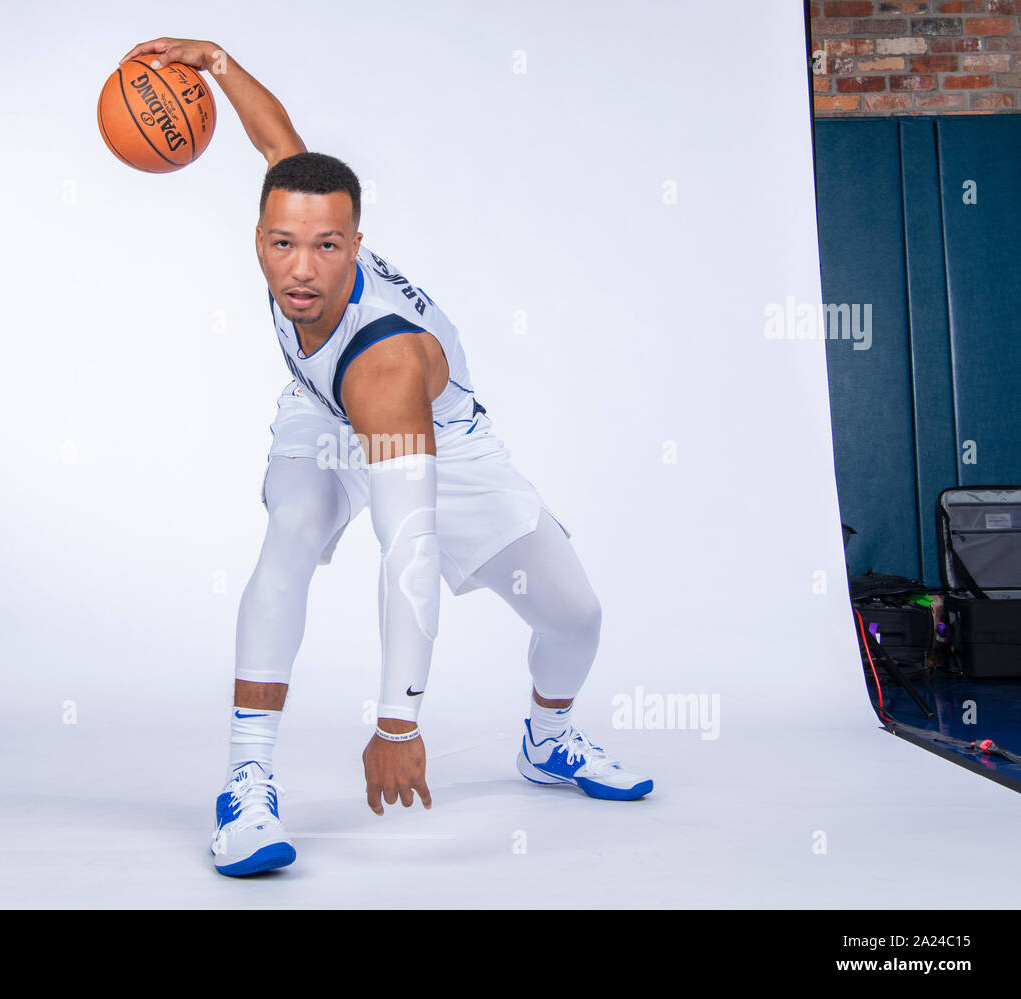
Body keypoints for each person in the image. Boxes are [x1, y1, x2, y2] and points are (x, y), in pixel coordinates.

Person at [118, 37, 654, 877]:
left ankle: (548, 741)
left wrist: (398, 721)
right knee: (290, 531)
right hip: (319, 411)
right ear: (259, 234)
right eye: (282, 244)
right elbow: (275, 139)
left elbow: (409, 546)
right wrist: (216, 62)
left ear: (355, 240)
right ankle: (246, 784)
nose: (302, 270)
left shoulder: (388, 363)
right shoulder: (300, 211)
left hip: (441, 435)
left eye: (328, 247)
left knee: (576, 617)